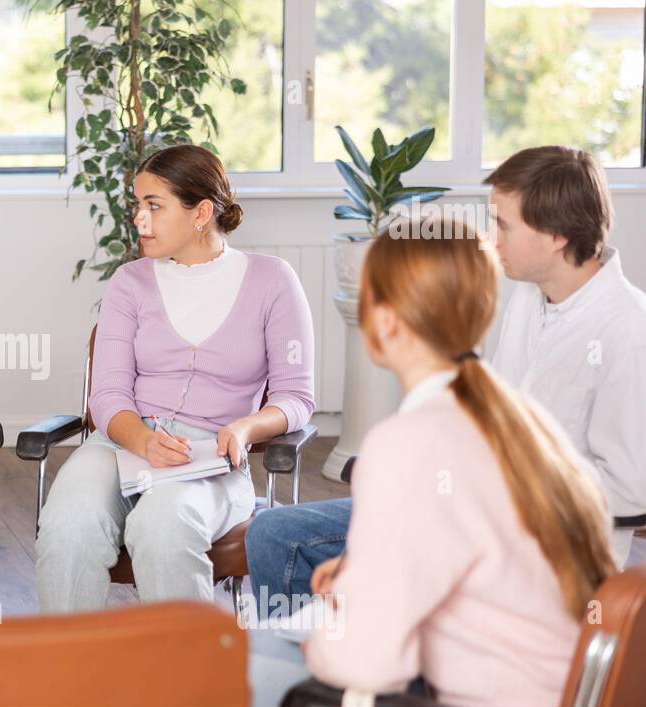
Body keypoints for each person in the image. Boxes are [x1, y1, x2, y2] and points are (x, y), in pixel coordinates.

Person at [247, 145, 645, 610]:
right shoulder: (529, 299)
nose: (491, 240)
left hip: (533, 552)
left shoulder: (629, 331)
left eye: (503, 224)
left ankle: (361, 665)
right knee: (272, 533)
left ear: (555, 235)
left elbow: (632, 493)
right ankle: (322, 664)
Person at [248, 221, 616, 707]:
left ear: (388, 321)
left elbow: (369, 663)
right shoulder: (527, 423)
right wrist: (366, 573)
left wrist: (327, 628)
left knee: (246, 657)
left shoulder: (406, 442)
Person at [35, 143, 315, 611]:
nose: (139, 220)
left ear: (201, 212)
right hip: (122, 444)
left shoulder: (272, 280)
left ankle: (185, 678)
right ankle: (68, 674)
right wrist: (142, 440)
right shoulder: (130, 281)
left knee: (163, 524)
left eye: (154, 207)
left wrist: (244, 429)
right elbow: (107, 395)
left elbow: (297, 397)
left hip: (213, 457)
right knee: (68, 521)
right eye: (137, 206)